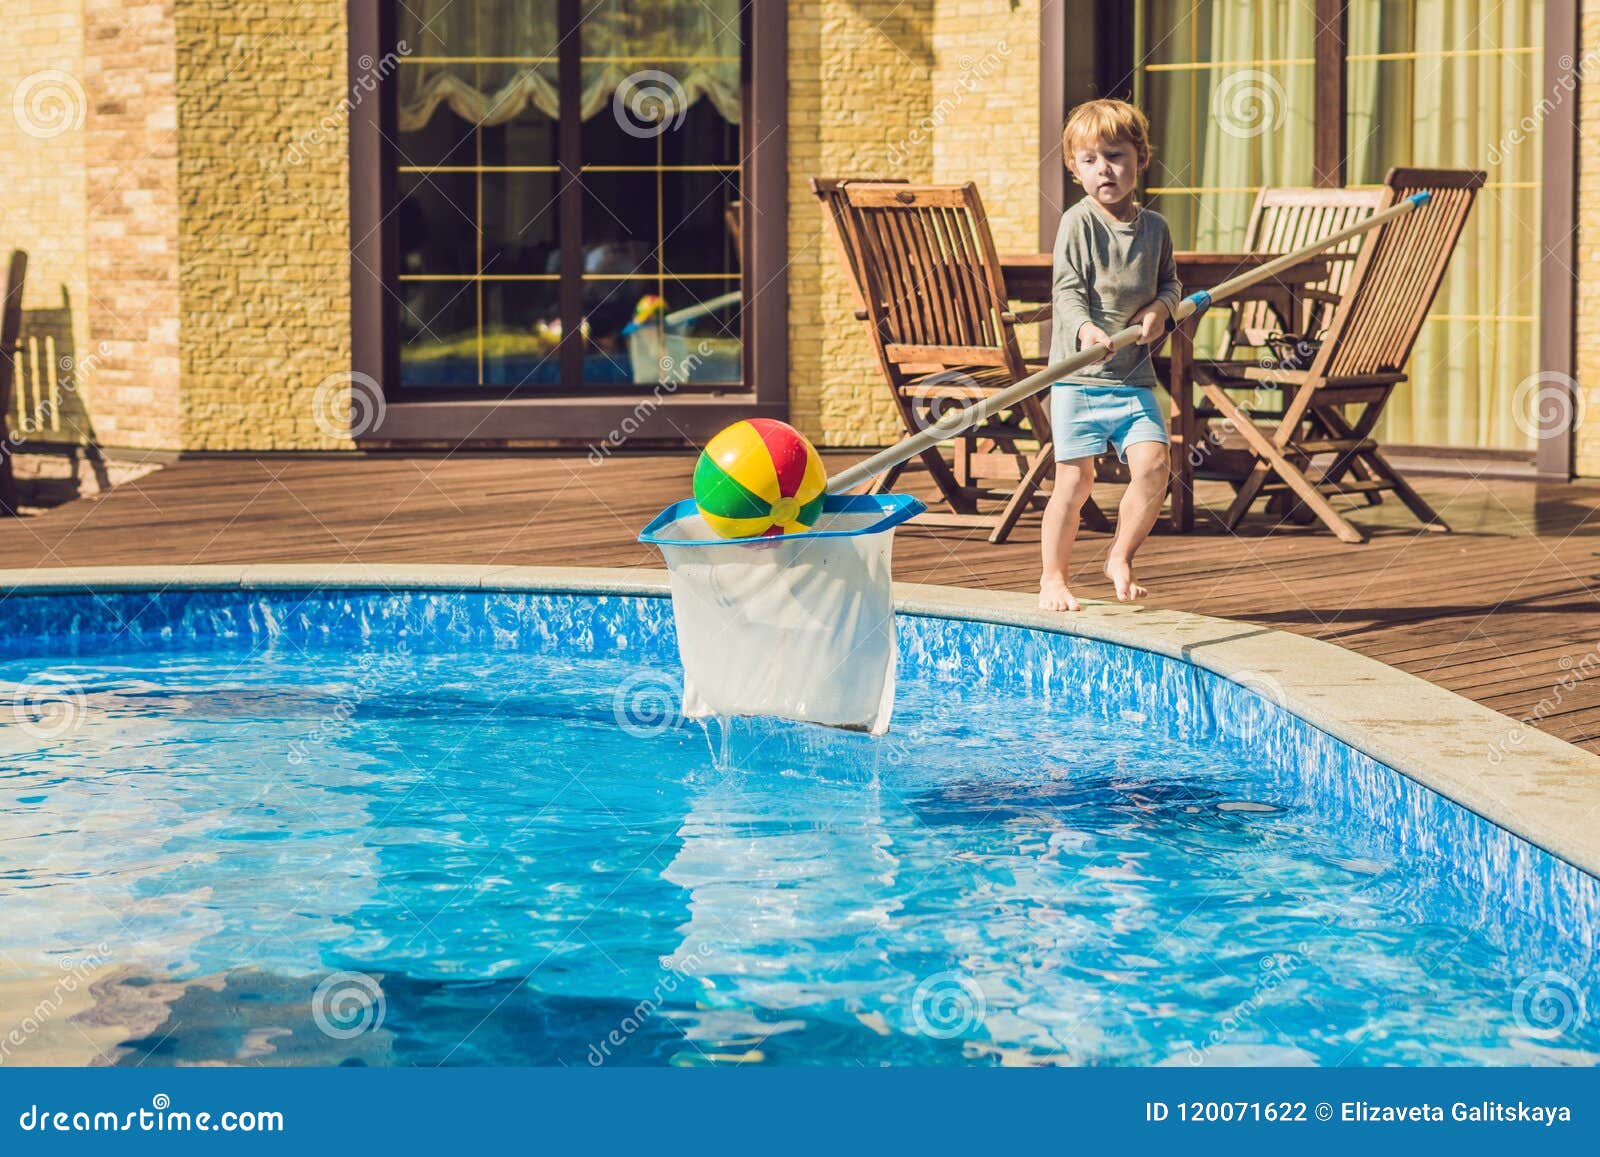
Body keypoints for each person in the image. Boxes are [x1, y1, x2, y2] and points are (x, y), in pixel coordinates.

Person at [1039, 98, 1180, 612]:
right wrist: (1085, 331)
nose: (1105, 170)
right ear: (1074, 170)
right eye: (1091, 159)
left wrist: (1162, 309)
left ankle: (1120, 555)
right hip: (1078, 380)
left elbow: (1170, 282)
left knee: (1155, 464)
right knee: (1074, 481)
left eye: (1116, 156)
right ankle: (1053, 578)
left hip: (1133, 379)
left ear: (1141, 160)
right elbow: (1067, 291)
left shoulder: (1156, 229)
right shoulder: (1078, 224)